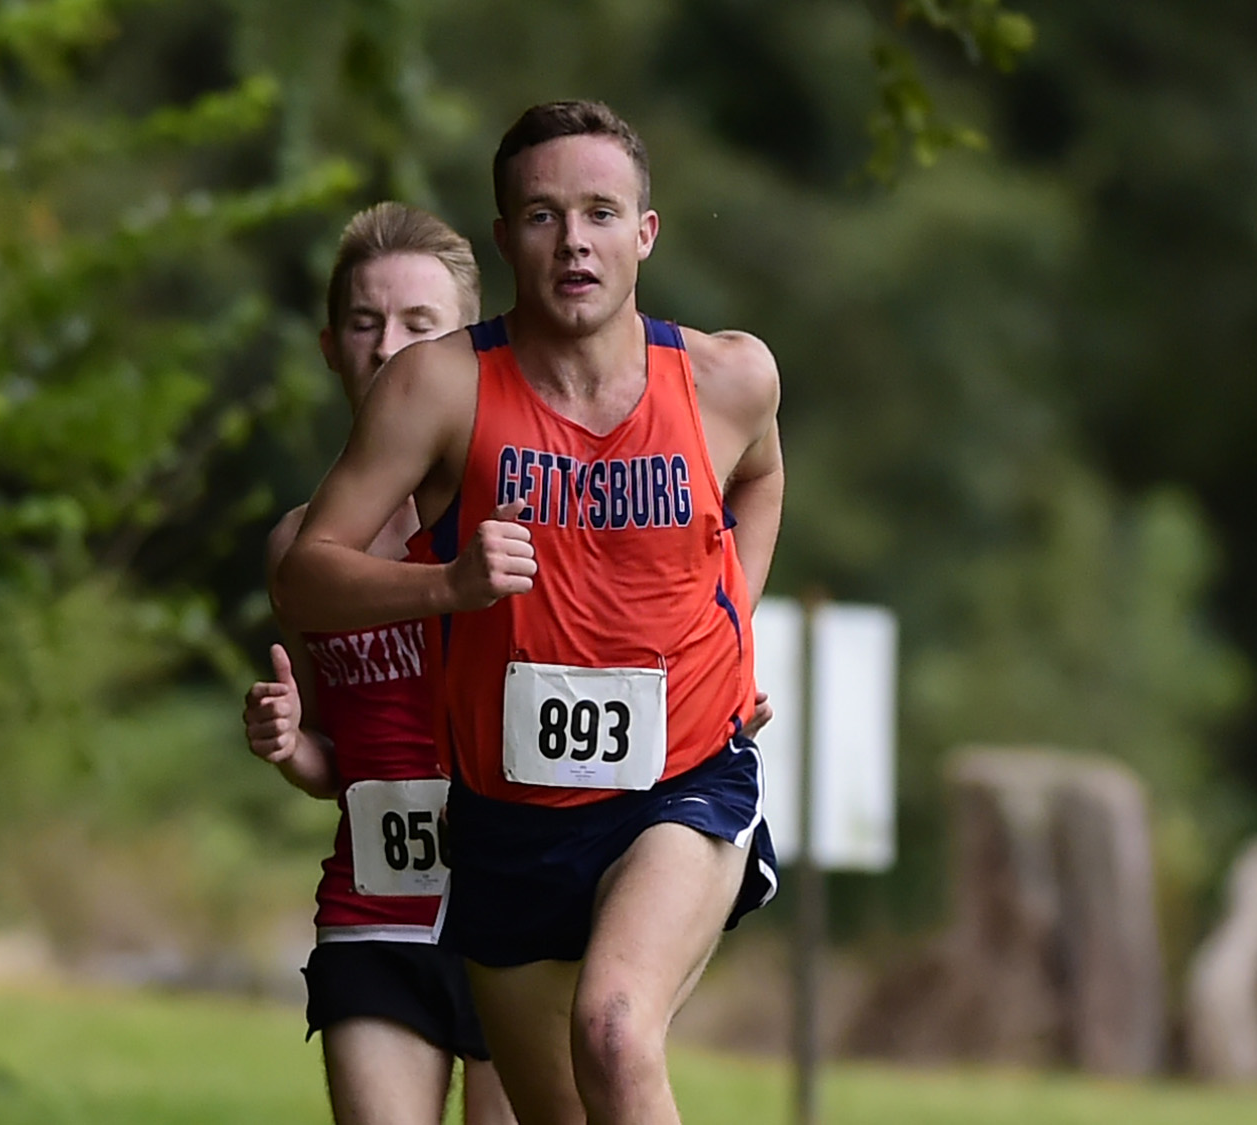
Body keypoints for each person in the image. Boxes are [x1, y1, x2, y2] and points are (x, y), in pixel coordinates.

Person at [274, 101, 785, 1125]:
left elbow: (761, 478)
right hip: (507, 823)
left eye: (601, 213)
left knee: (612, 1027)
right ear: (505, 238)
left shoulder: (727, 377)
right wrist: (447, 586)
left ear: (644, 234)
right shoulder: (439, 387)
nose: (574, 240)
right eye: (543, 216)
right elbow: (305, 576)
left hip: (678, 782)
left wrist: (731, 623)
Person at [243, 201, 515, 1125]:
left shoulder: (512, 513)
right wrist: (289, 747)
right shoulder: (299, 549)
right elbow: (337, 764)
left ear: (469, 343)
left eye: (419, 325)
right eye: (366, 323)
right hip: (377, 910)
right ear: (331, 345)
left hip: (524, 905)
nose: (389, 347)